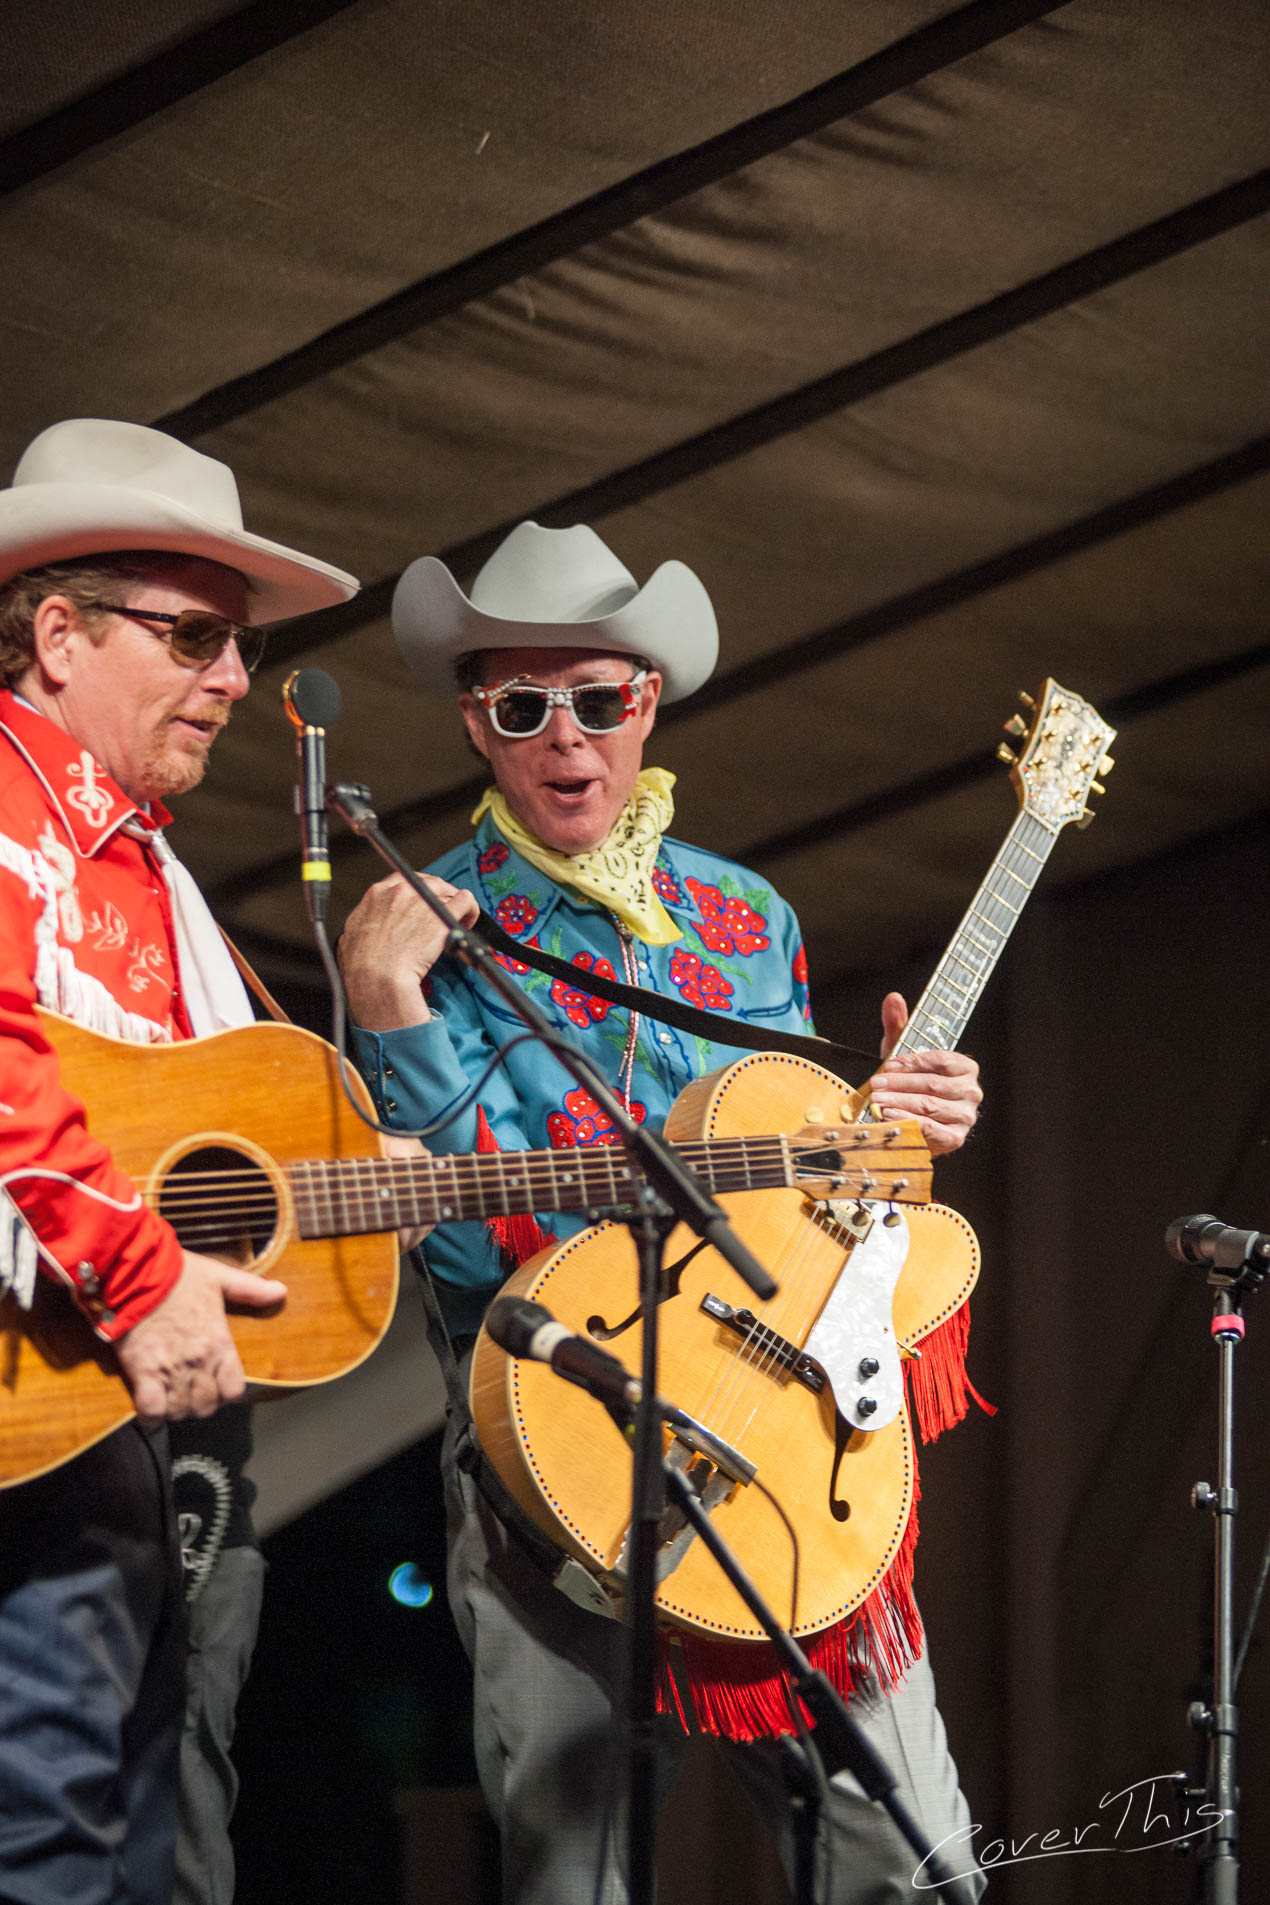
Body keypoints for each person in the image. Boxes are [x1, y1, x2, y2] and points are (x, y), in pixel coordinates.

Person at [339, 521, 986, 1903]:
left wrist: (893, 1134)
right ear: (475, 720)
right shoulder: (418, 937)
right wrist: (392, 1011)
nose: (564, 738)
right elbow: (464, 1257)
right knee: (576, 1883)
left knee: (911, 1867)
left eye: (597, 698)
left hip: (768, 1445)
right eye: (523, 705)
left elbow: (800, 1195)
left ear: (649, 701)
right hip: (553, 1469)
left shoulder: (746, 918)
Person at [0, 417, 357, 1905]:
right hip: (39, 1418)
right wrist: (141, 1278)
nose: (232, 679)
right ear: (62, 631)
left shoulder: (148, 864)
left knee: (140, 1845)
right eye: (198, 636)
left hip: (115, 1437)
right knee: (48, 1842)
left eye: (244, 651)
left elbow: (221, 1124)